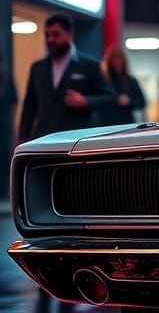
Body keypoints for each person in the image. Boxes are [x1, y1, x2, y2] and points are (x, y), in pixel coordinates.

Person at [18, 14, 113, 143]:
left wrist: (86, 101)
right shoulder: (37, 68)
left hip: (76, 139)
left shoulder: (90, 65)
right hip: (43, 139)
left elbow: (110, 97)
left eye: (56, 35)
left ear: (69, 35)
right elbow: (30, 105)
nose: (51, 39)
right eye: (47, 35)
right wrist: (22, 138)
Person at [93, 44, 147, 127]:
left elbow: (141, 102)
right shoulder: (102, 80)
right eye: (114, 60)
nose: (117, 63)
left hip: (125, 123)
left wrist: (129, 102)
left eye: (119, 60)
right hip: (104, 124)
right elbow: (95, 101)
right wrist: (115, 100)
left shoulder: (130, 81)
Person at [0, 52, 17, 200]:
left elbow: (13, 105)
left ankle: (4, 192)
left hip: (4, 127)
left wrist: (14, 131)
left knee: (5, 159)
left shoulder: (7, 80)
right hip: (5, 125)